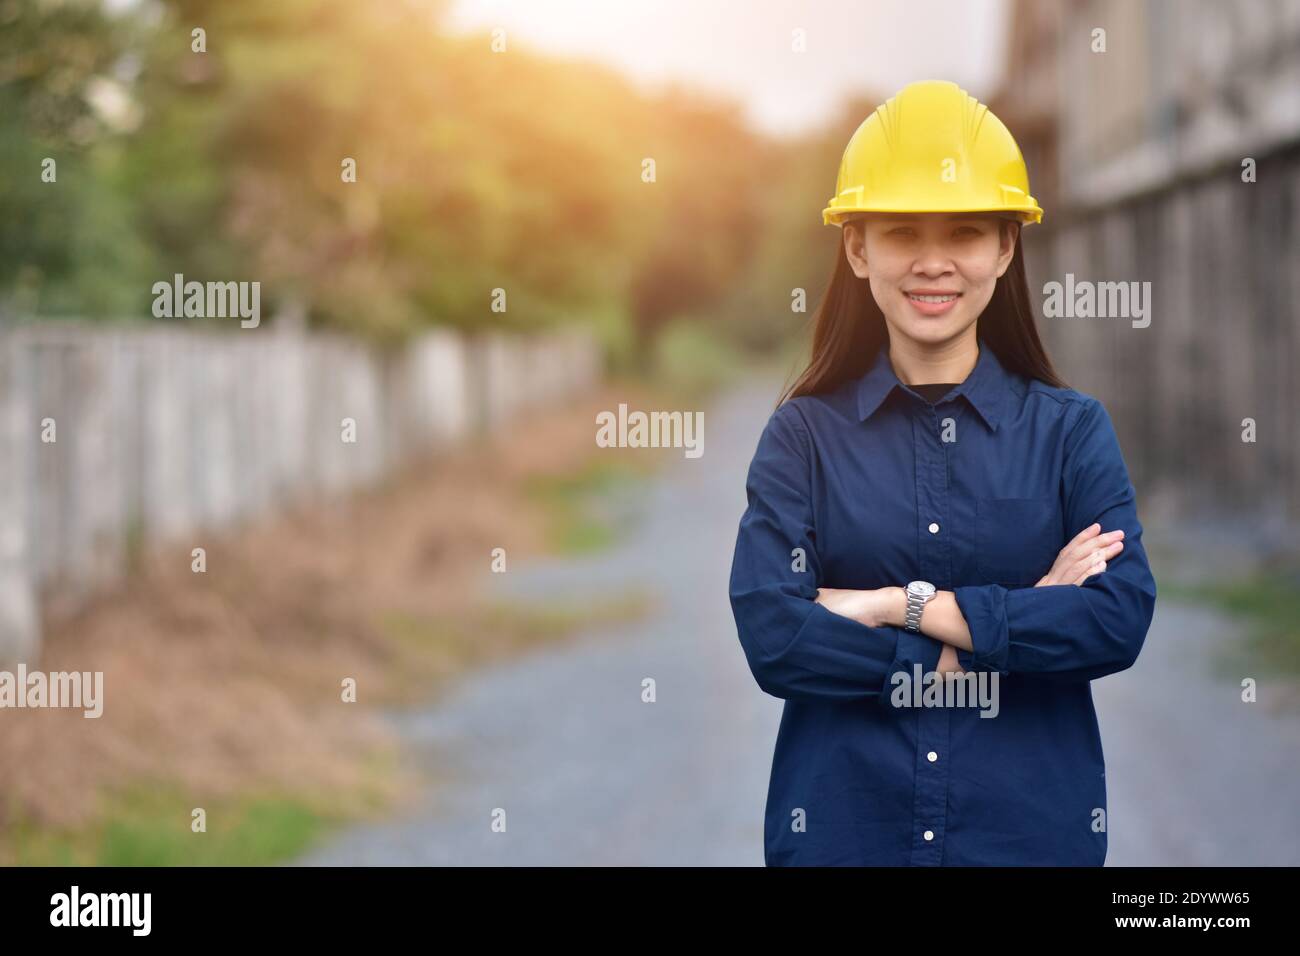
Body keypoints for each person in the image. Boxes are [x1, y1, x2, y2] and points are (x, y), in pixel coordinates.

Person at [727, 80, 1157, 866]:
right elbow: (775, 637)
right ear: (858, 249)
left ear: (1004, 247)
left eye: (963, 231)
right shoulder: (802, 438)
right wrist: (1008, 627)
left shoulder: (1071, 432)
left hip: (1026, 844)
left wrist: (896, 605)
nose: (933, 262)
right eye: (901, 232)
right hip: (845, 842)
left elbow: (1115, 619)